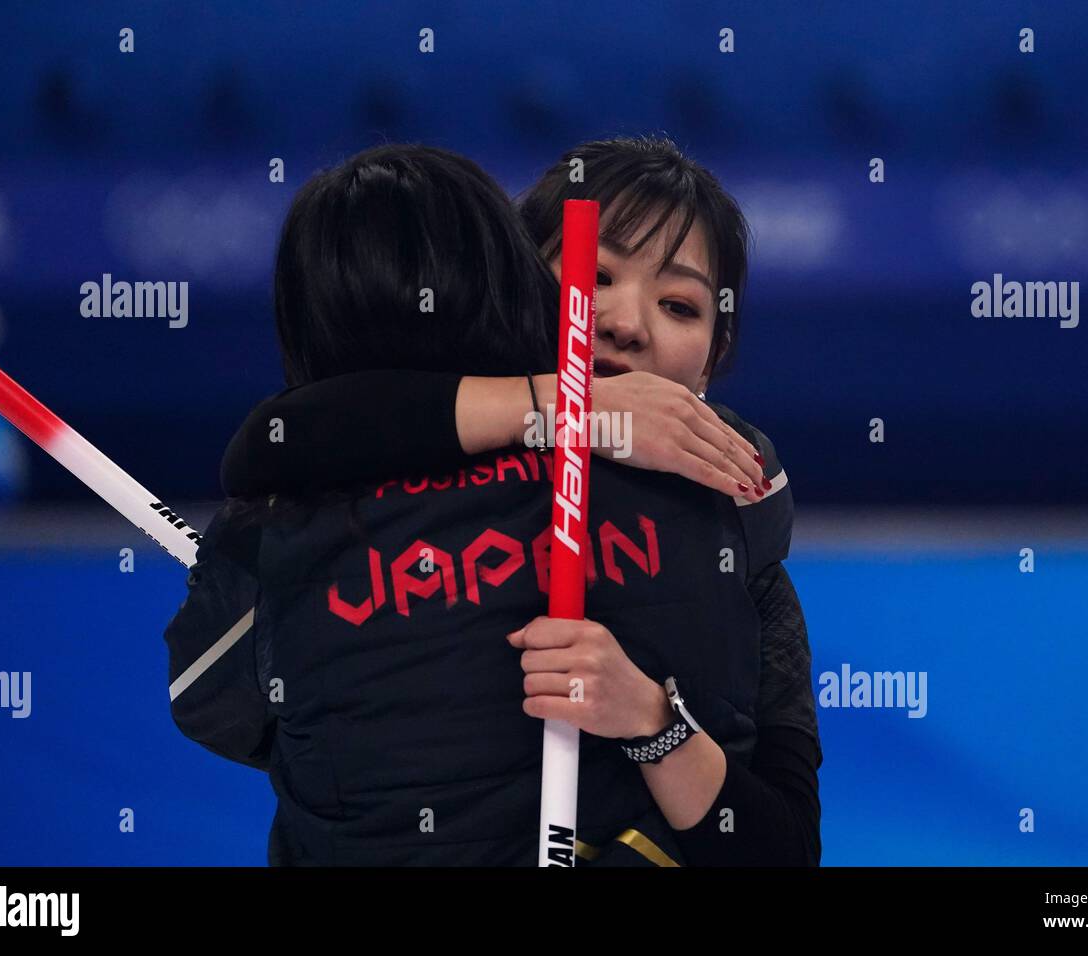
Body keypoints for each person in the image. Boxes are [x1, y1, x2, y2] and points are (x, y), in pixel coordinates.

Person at [166, 142, 818, 865]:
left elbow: (782, 851)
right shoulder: (345, 462)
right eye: (593, 277)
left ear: (716, 348)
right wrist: (571, 409)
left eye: (679, 305)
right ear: (517, 281)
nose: (628, 322)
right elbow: (275, 441)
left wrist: (649, 720)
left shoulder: (737, 511)